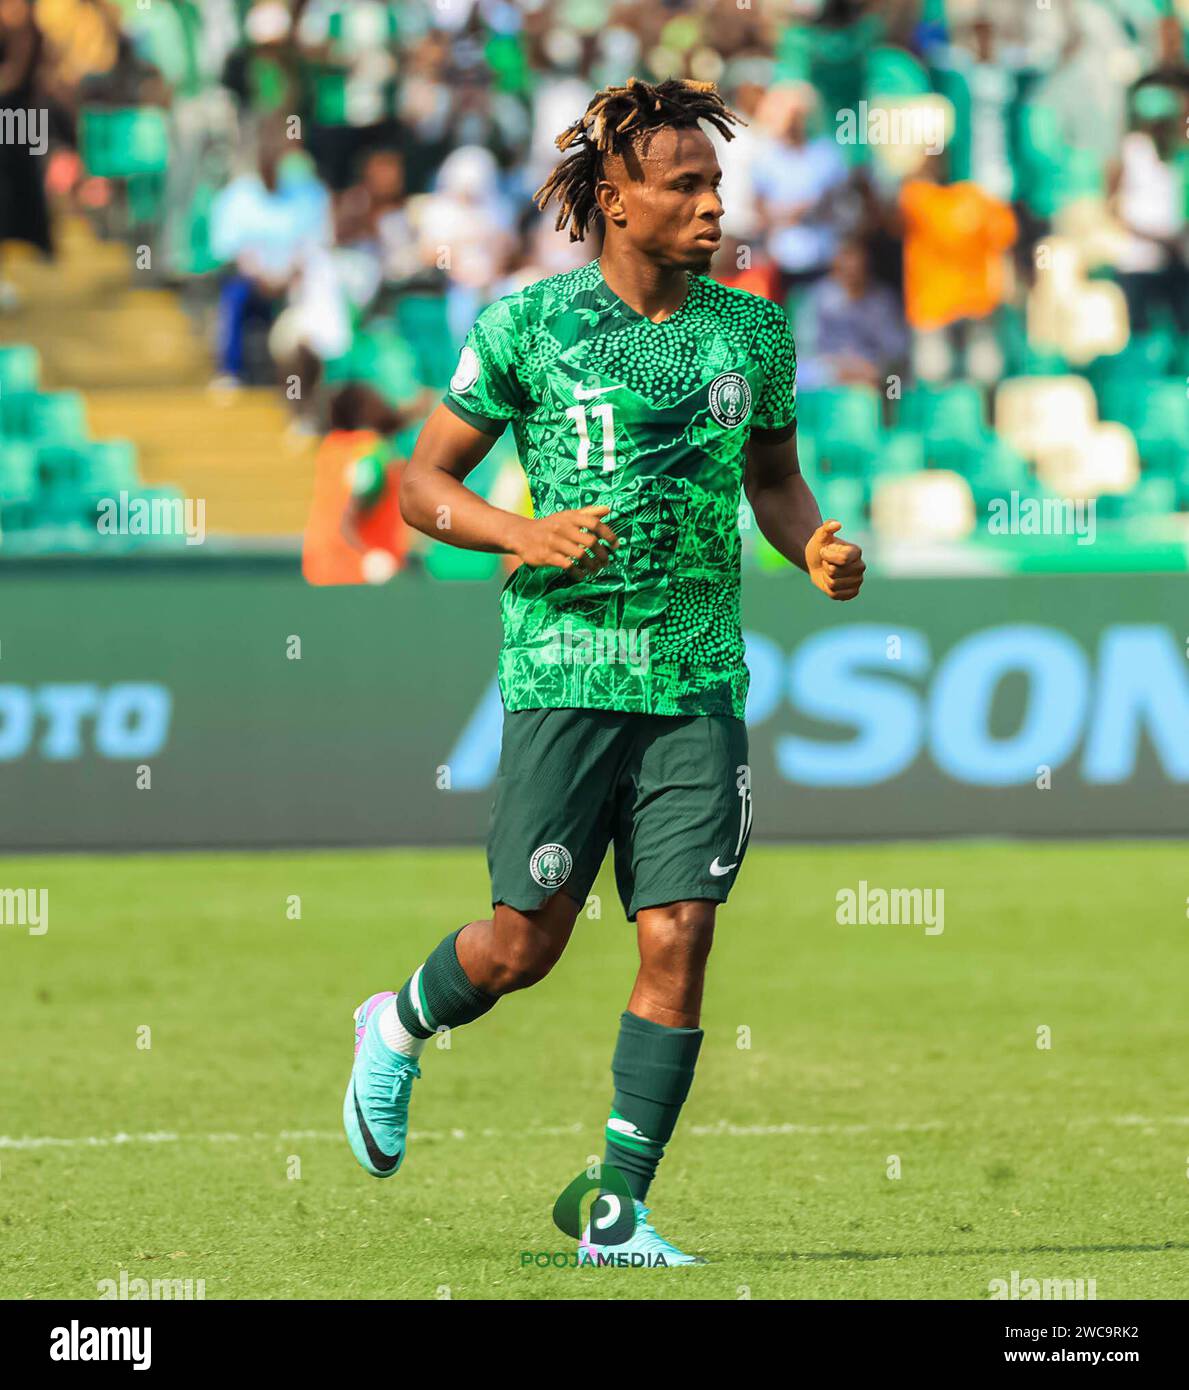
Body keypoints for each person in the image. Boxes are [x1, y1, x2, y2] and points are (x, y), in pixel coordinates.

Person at [341, 76, 865, 1267]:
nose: (711, 204)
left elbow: (774, 481)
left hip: (695, 678)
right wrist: (520, 534)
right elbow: (423, 486)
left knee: (679, 931)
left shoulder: (752, 332)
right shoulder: (527, 327)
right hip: (568, 669)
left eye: (715, 183)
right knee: (525, 942)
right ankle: (400, 1020)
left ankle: (616, 1209)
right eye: (683, 184)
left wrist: (813, 542)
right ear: (614, 202)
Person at [796, 235, 907, 389]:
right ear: (835, 268)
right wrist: (836, 365)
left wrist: (870, 367)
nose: (851, 272)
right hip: (825, 367)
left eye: (857, 267)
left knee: (894, 381)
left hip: (868, 370)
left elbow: (896, 348)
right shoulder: (817, 297)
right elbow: (804, 345)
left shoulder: (882, 300)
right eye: (845, 267)